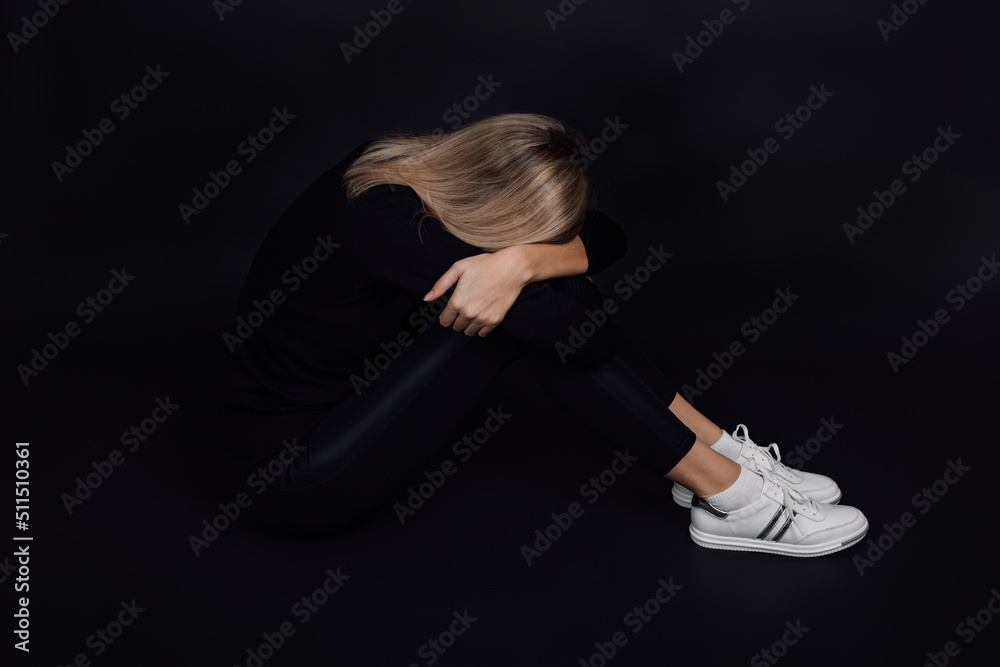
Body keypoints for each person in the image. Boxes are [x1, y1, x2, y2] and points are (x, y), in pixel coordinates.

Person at [217, 113, 868, 556]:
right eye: (521, 233)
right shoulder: (398, 228)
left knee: (543, 299)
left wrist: (523, 260)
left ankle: (723, 454)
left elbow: (609, 232)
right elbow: (577, 336)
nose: (526, 246)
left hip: (339, 409)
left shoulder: (402, 166)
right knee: (532, 322)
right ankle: (731, 498)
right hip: (288, 473)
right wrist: (531, 276)